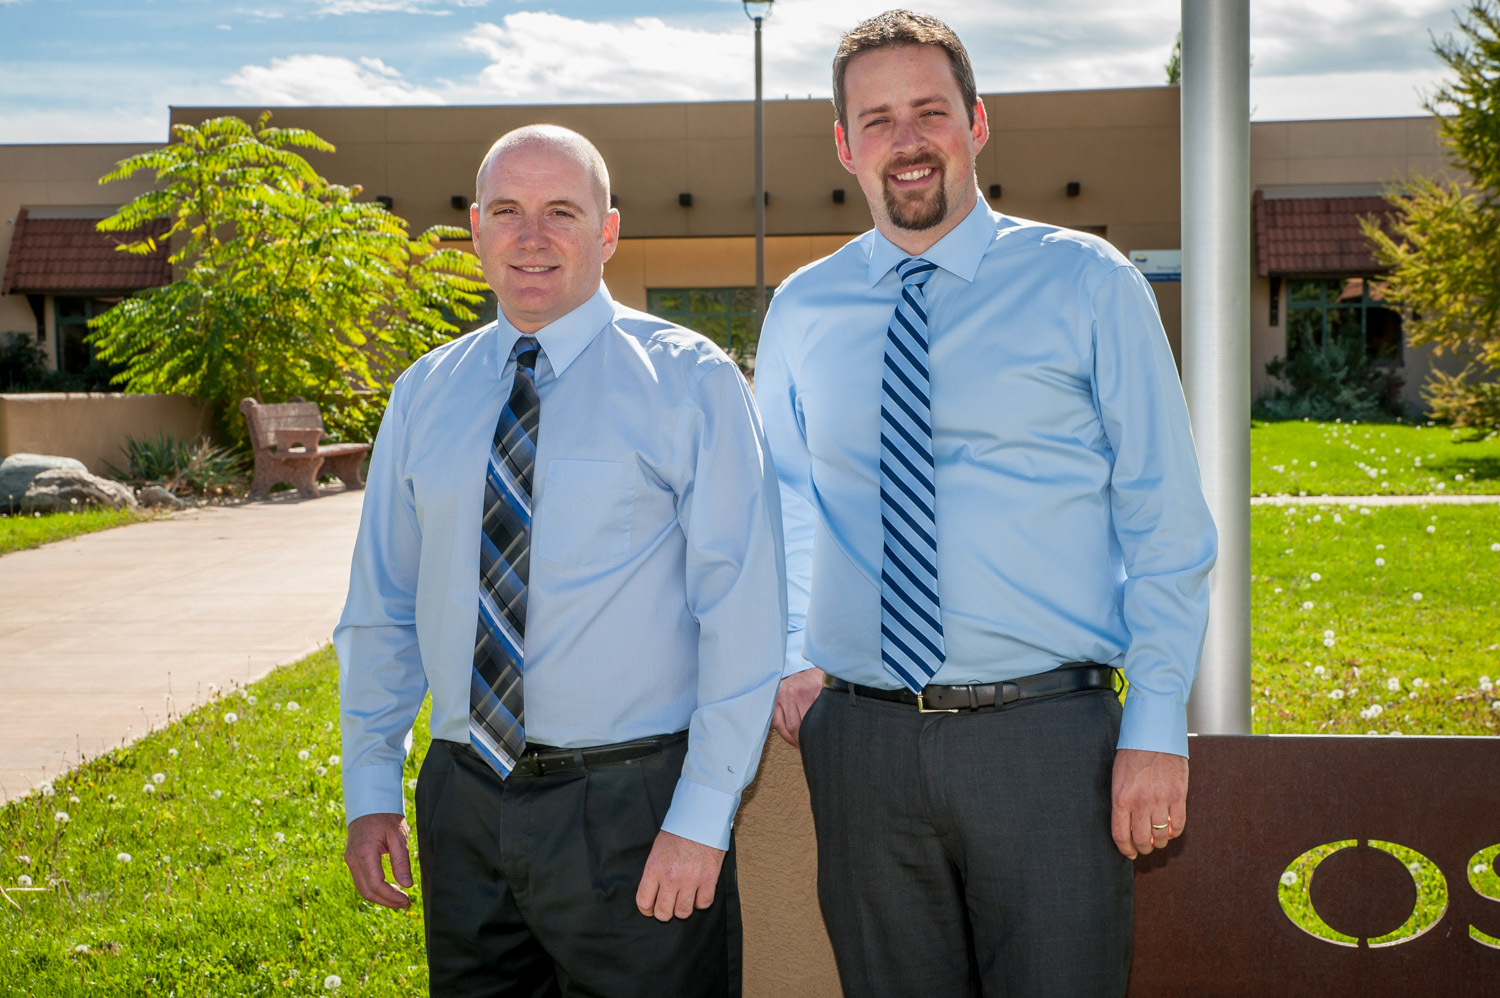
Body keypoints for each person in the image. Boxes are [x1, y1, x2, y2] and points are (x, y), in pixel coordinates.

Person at [753, 10, 1217, 997]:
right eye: (876, 119)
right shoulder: (803, 307)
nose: (907, 139)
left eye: (930, 110)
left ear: (977, 122)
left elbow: (1165, 518)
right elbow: (785, 498)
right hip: (863, 745)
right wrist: (793, 650)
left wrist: (1155, 722)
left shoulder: (1087, 282)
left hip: (1047, 740)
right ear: (844, 145)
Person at [336, 124, 786, 998]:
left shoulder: (690, 382)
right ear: (476, 231)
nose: (531, 237)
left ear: (608, 232)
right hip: (465, 801)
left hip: (632, 809)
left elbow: (743, 618)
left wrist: (701, 816)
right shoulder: (425, 392)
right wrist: (371, 786)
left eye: (562, 213)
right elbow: (382, 606)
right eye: (507, 211)